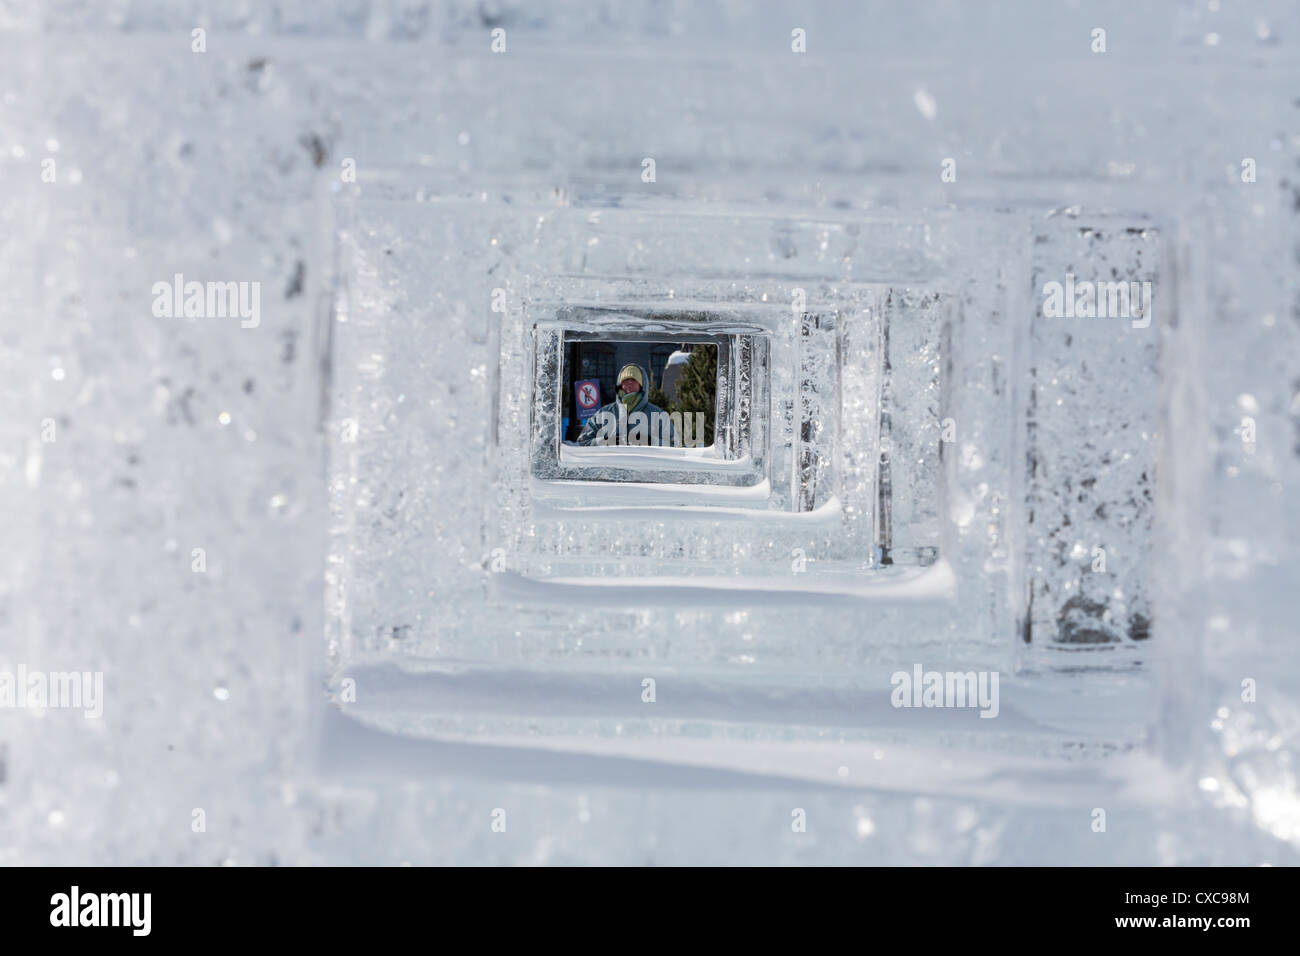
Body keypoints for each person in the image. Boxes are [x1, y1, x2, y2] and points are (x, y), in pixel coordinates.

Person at [573, 363, 677, 446]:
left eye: (634, 380)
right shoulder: (603, 413)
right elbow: (583, 442)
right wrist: (606, 442)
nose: (629, 383)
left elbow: (675, 444)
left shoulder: (658, 415)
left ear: (642, 385)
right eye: (625, 380)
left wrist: (651, 442)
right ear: (620, 384)